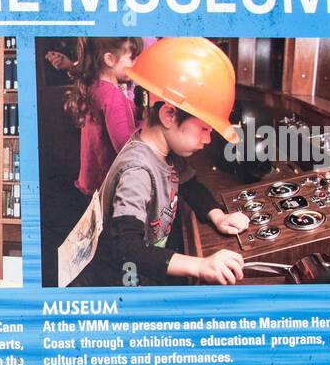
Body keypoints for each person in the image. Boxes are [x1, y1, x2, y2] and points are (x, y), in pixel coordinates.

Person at [73, 37, 249, 288]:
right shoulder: (138, 171)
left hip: (146, 266)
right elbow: (127, 249)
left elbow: (190, 185)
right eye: (204, 128)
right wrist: (200, 265)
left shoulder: (165, 150)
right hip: (121, 282)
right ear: (169, 114)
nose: (208, 139)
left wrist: (218, 216)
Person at [64, 37, 145, 196]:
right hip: (110, 185)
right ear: (109, 59)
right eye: (131, 58)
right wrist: (147, 125)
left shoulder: (95, 86)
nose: (136, 63)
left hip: (95, 179)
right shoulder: (111, 95)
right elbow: (125, 145)